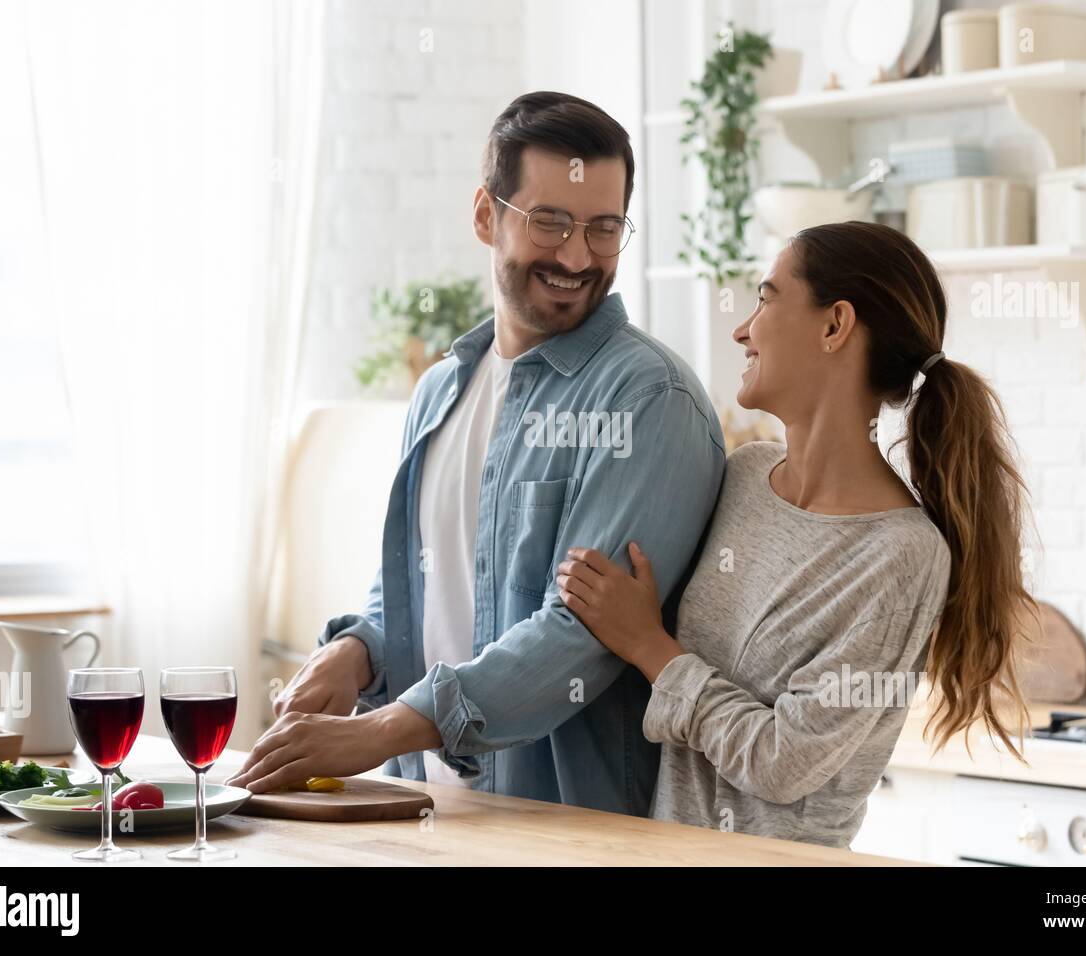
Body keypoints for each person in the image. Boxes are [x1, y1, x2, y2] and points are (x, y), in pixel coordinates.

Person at [228, 91, 726, 815]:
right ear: (486, 215)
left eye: (604, 227)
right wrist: (359, 651)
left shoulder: (647, 400)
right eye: (550, 222)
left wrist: (380, 729)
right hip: (418, 809)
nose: (577, 256)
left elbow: (580, 634)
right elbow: (420, 588)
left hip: (566, 830)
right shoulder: (440, 391)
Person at [556, 221, 1034, 847]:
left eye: (766, 297)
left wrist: (650, 646)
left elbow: (784, 763)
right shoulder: (744, 475)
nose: (742, 328)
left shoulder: (900, 555)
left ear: (835, 326)